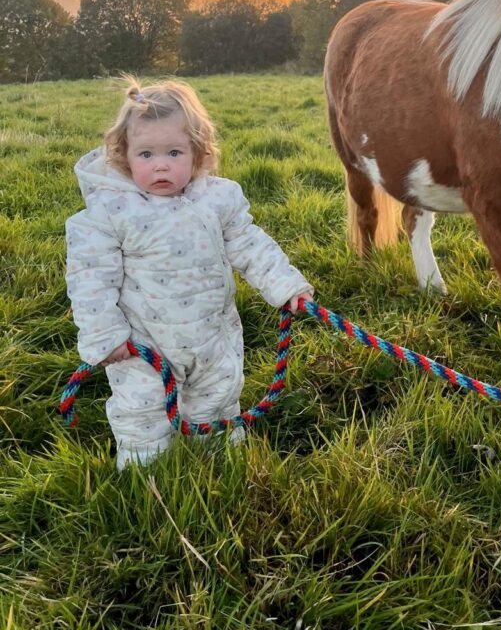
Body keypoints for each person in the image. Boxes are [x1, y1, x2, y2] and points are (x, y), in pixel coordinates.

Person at [65, 78, 314, 470]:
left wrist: (286, 286)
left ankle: (218, 460)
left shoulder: (217, 199)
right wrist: (105, 337)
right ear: (124, 155)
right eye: (146, 154)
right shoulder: (109, 212)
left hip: (211, 335)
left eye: (174, 152)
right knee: (142, 410)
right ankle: (145, 471)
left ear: (198, 152)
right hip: (144, 343)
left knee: (217, 395)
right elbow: (91, 279)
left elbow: (250, 244)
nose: (161, 164)